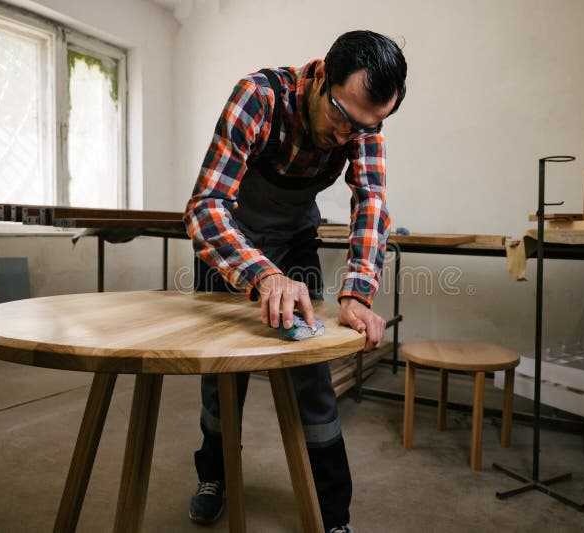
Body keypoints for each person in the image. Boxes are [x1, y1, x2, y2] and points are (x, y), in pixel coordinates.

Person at [183, 30, 407, 533]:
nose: (349, 136)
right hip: (232, 242)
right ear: (323, 77)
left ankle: (332, 514)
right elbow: (204, 207)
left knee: (313, 374)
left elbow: (371, 202)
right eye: (342, 119)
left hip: (295, 241)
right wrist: (262, 274)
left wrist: (357, 293)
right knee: (223, 376)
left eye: (367, 127)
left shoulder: (363, 122)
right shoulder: (259, 97)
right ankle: (214, 476)